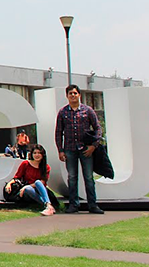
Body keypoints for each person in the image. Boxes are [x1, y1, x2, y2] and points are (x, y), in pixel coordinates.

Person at [55, 84, 102, 214]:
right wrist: (60, 150)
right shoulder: (63, 112)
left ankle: (92, 205)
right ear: (67, 96)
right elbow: (58, 132)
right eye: (70, 93)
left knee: (88, 178)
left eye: (75, 93)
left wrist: (94, 145)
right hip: (69, 149)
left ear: (79, 95)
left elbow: (97, 128)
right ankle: (73, 205)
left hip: (86, 149)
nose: (73, 95)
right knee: (72, 177)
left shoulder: (88, 110)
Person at [5, 143, 54, 216]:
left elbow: (43, 182)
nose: (37, 155)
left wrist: (26, 187)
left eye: (39, 153)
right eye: (35, 153)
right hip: (28, 192)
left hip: (40, 190)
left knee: (38, 182)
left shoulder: (46, 167)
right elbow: (17, 177)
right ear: (31, 154)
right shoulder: (25, 164)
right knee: (28, 189)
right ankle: (48, 205)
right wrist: (9, 184)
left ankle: (48, 206)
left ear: (42, 155)